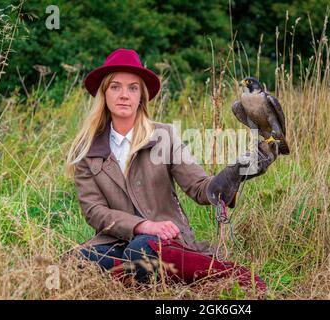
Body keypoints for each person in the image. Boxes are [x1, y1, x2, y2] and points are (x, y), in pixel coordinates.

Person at [65, 48, 278, 284]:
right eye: (115, 87)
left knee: (139, 252)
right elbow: (95, 212)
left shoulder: (163, 136)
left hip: (162, 241)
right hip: (114, 241)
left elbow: (199, 188)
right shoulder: (86, 150)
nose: (124, 94)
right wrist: (143, 225)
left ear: (141, 97)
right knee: (74, 262)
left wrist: (237, 171)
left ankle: (220, 274)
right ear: (104, 94)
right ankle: (145, 275)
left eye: (132, 88)